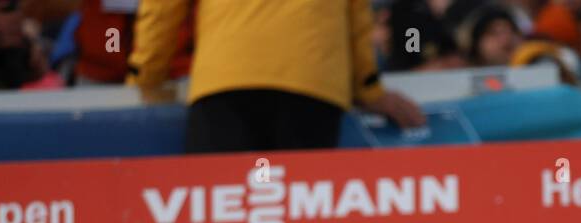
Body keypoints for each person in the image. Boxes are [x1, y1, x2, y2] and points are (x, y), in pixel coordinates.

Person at [127, 0, 425, 153]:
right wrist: (368, 88)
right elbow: (357, 15)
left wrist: (146, 76)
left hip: (226, 80)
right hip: (312, 84)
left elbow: (162, 9)